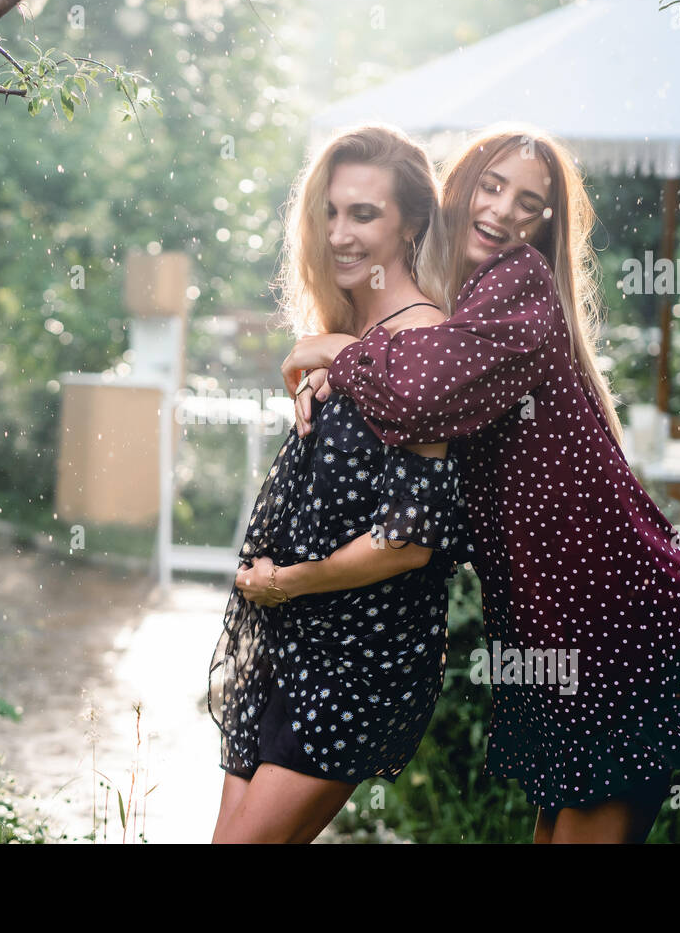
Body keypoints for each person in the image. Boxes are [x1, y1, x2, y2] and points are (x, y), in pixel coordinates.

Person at [280, 123, 680, 843]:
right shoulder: (464, 304)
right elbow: (416, 371)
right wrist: (339, 371)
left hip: (614, 617)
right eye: (492, 185)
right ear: (461, 185)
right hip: (550, 629)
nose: (505, 210)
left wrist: (328, 348)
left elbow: (422, 392)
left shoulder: (519, 285)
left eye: (530, 203)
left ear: (545, 224)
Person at [207, 124, 471, 843]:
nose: (339, 232)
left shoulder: (426, 347)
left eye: (364, 214)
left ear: (411, 222)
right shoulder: (350, 336)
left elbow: (407, 545)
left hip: (359, 655)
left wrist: (285, 581)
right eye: (329, 211)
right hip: (290, 642)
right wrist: (320, 348)